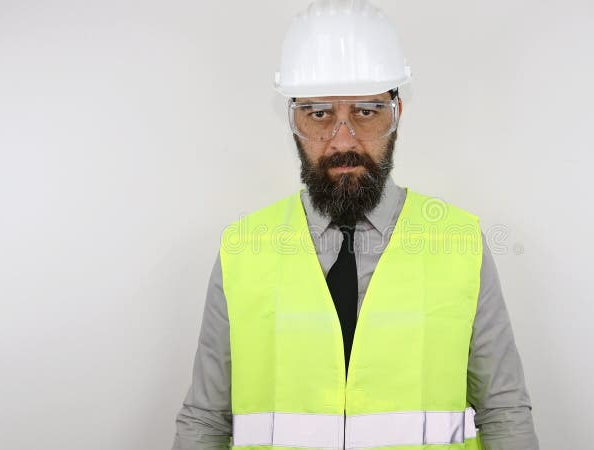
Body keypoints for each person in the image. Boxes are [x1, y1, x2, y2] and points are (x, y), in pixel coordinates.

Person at [172, 1, 539, 449]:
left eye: (365, 112)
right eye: (319, 113)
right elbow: (206, 419)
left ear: (396, 116)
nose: (342, 140)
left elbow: (503, 412)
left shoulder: (459, 244)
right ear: (293, 123)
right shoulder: (243, 250)